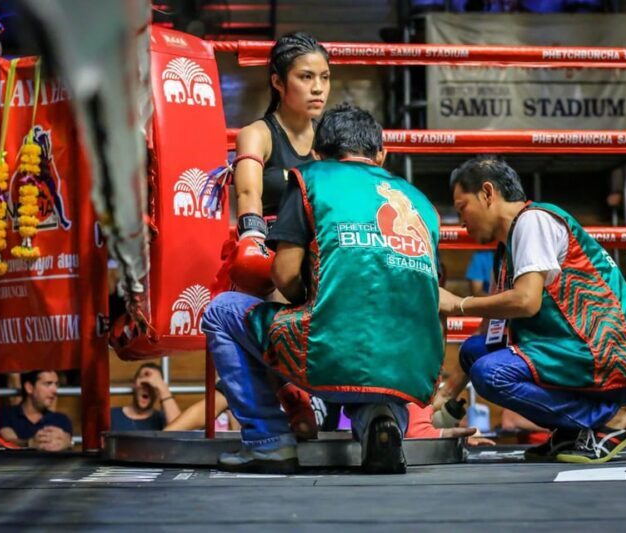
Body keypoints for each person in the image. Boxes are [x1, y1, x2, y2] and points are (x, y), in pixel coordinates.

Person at [202, 103, 445, 474]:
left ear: (318, 152)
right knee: (374, 366)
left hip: (329, 356)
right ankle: (381, 419)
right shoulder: (422, 203)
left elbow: (283, 275)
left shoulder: (308, 179)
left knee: (221, 311)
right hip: (412, 371)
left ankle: (268, 441)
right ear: (382, 154)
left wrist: (310, 298)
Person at [437, 155, 626, 464]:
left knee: (490, 373)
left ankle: (603, 425)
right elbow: (490, 327)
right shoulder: (506, 248)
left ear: (488, 193)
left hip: (602, 353)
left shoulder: (534, 221)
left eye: (462, 208)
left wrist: (458, 303)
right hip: (567, 351)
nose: (462, 223)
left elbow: (527, 302)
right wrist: (445, 397)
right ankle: (570, 432)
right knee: (476, 350)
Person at [208, 31, 332, 440]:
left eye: (325, 77)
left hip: (323, 255)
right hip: (273, 252)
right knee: (272, 281)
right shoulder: (258, 134)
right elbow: (248, 192)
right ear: (278, 82)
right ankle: (292, 396)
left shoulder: (329, 139)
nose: (317, 88)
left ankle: (308, 393)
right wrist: (252, 238)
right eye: (306, 76)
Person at [0, 370, 73, 451]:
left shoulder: (61, 419)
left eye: (56, 384)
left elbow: (68, 441)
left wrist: (68, 443)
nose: (55, 390)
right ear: (29, 388)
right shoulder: (5, 415)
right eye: (48, 384)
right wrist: (29, 443)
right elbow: (8, 441)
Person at [110, 363, 181, 431]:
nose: (147, 388)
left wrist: (163, 389)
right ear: (134, 384)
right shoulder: (111, 415)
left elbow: (179, 433)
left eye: (152, 385)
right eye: (144, 384)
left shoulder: (162, 419)